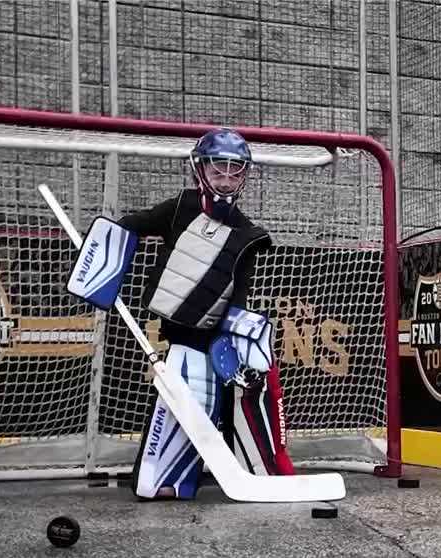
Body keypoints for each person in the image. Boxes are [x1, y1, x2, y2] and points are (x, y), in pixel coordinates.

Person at [94, 128, 295, 499]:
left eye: (236, 171)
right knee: (190, 402)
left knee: (249, 383)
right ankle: (166, 478)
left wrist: (236, 344)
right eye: (219, 169)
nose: (227, 179)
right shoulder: (180, 209)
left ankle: (262, 467)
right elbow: (129, 228)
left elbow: (240, 293)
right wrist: (99, 264)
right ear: (199, 170)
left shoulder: (247, 234)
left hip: (217, 336)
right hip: (183, 339)